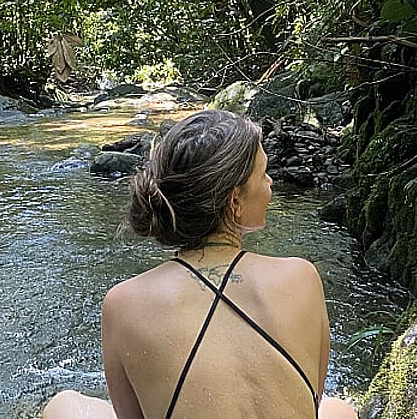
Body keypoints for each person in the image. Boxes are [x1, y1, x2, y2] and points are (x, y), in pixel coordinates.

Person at [42, 109, 357, 419]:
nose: (271, 182)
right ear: (235, 202)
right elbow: (310, 402)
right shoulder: (302, 276)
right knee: (338, 409)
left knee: (64, 404)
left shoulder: (123, 302)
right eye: (264, 174)